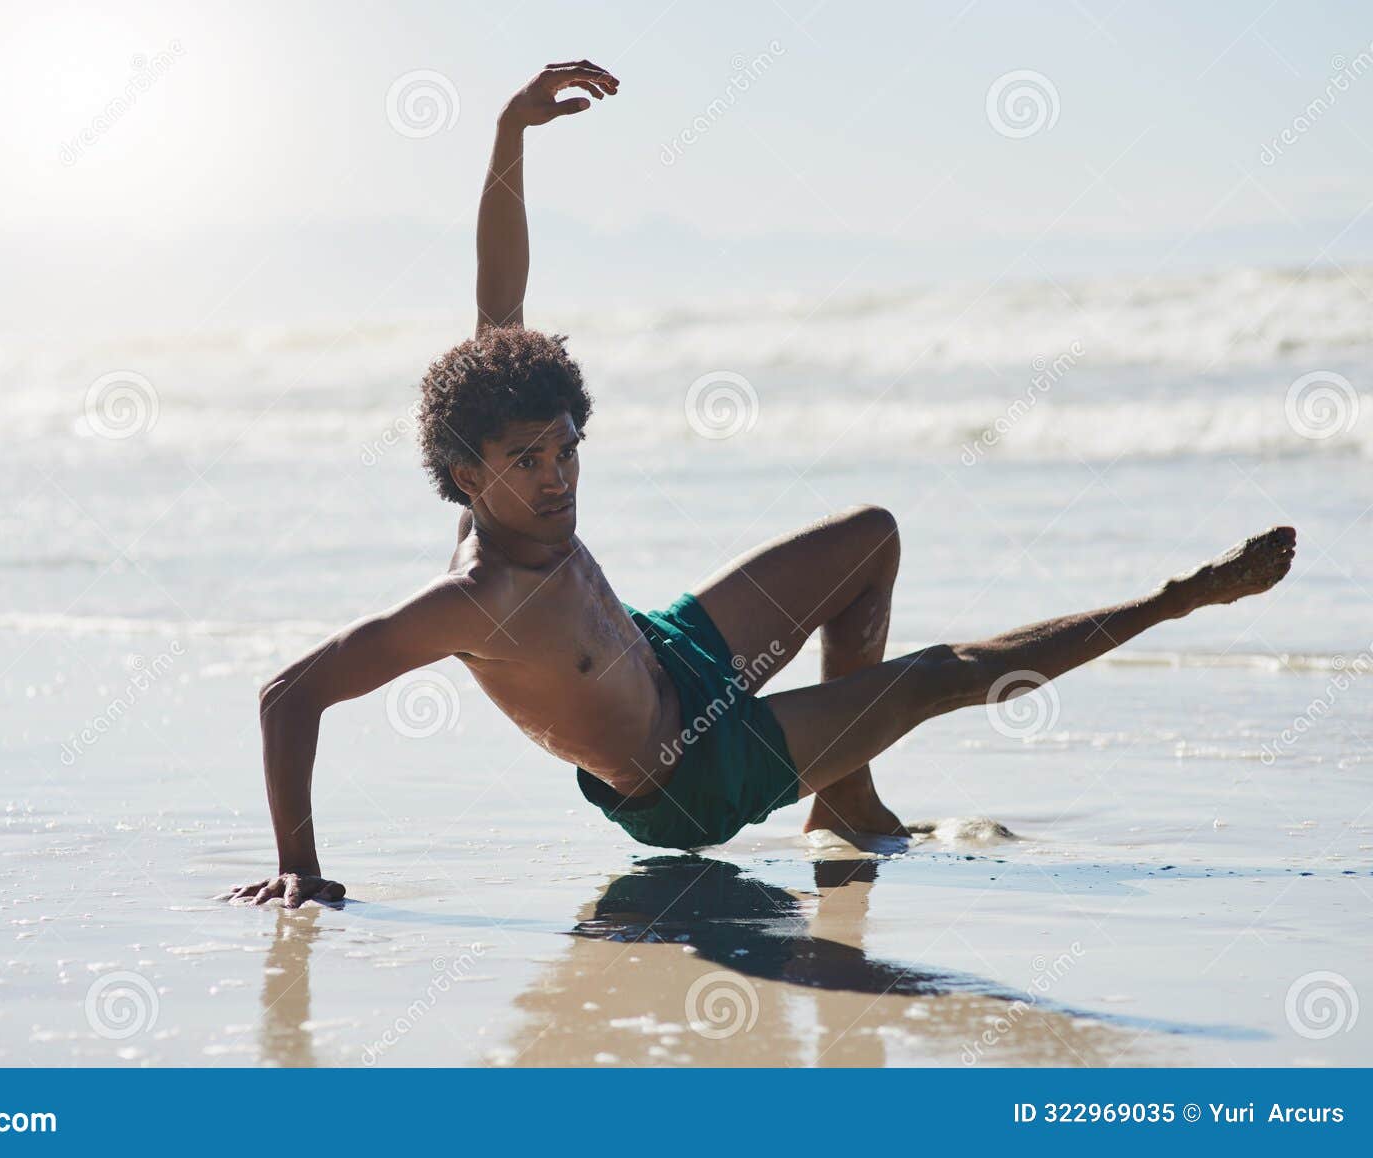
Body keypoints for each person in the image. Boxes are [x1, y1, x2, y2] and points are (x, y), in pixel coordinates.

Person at [225, 62, 1295, 908]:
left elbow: (498, 291)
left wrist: (506, 136)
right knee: (932, 678)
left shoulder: (498, 422)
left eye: (566, 449)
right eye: (528, 464)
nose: (557, 479)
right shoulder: (473, 603)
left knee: (869, 536)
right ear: (465, 475)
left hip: (670, 649)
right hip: (683, 779)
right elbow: (290, 695)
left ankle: (844, 792)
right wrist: (297, 864)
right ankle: (1173, 601)